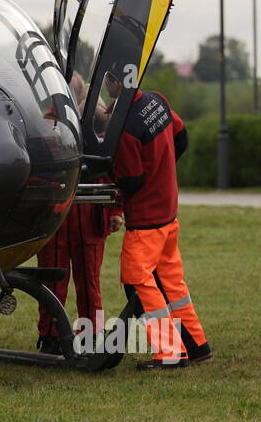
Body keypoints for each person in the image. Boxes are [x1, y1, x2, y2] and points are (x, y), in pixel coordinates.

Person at [107, 77, 212, 369]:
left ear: (115, 81)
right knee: (172, 282)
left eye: (106, 79)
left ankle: (169, 353)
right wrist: (162, 169)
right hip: (168, 213)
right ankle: (196, 345)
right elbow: (182, 137)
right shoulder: (157, 101)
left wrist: (112, 185)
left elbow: (131, 178)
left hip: (145, 220)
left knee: (138, 281)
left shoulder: (126, 128)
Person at [36, 73, 121, 352]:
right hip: (61, 209)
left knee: (83, 281)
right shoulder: (46, 118)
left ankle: (86, 335)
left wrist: (114, 210)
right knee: (56, 277)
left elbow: (110, 167)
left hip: (82, 209)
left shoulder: (96, 117)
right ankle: (53, 336)